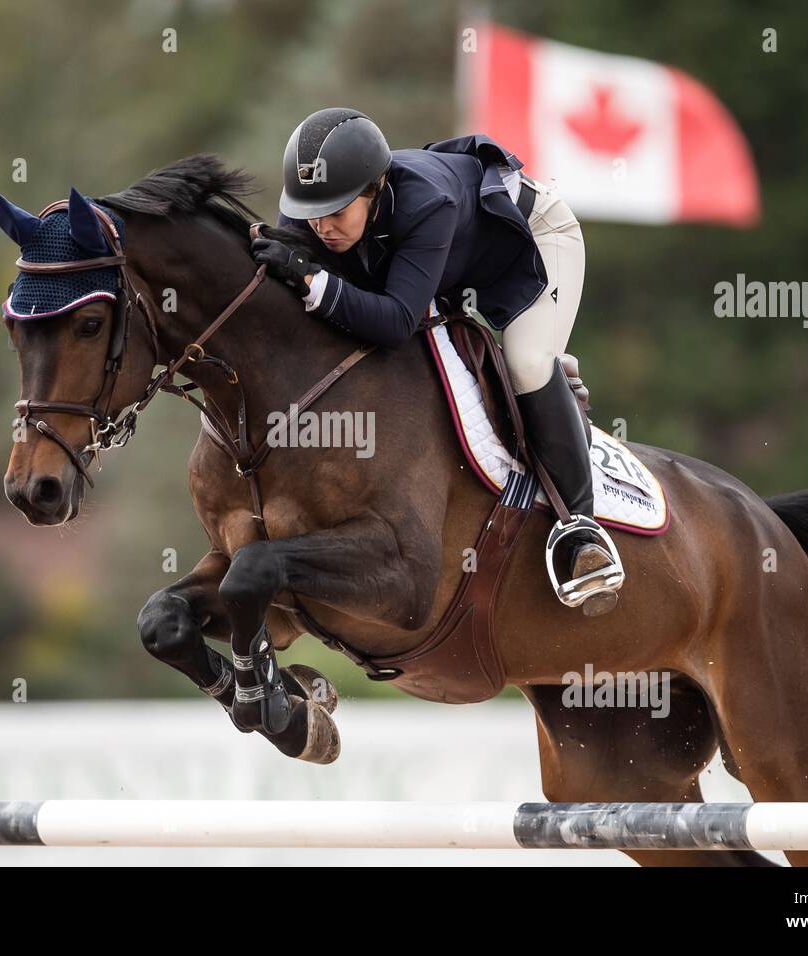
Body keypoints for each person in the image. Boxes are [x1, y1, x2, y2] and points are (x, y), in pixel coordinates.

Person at [251, 107, 622, 616]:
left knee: (528, 362)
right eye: (312, 213)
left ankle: (580, 530)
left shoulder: (427, 203)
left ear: (377, 188)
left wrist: (314, 281)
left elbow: (395, 322)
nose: (322, 228)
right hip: (452, 262)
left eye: (337, 213)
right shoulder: (311, 209)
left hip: (533, 239)